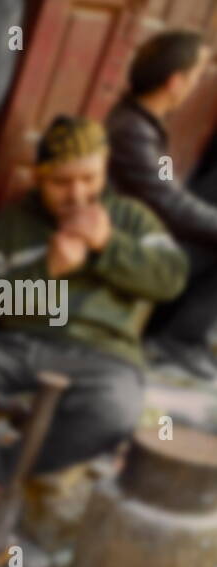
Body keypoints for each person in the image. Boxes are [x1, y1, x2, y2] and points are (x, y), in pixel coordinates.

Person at [0, 116, 187, 543]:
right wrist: (48, 271)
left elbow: (171, 278)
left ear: (104, 172)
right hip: (18, 345)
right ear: (40, 177)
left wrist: (107, 246)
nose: (77, 194)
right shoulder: (9, 225)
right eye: (62, 182)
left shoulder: (129, 218)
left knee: (116, 410)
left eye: (89, 178)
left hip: (103, 354)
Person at [106, 30, 217, 379]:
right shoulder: (132, 130)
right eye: (197, 76)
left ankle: (178, 338)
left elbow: (167, 194)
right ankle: (176, 340)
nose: (199, 84)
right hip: (120, 242)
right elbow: (168, 203)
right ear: (174, 82)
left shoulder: (141, 123)